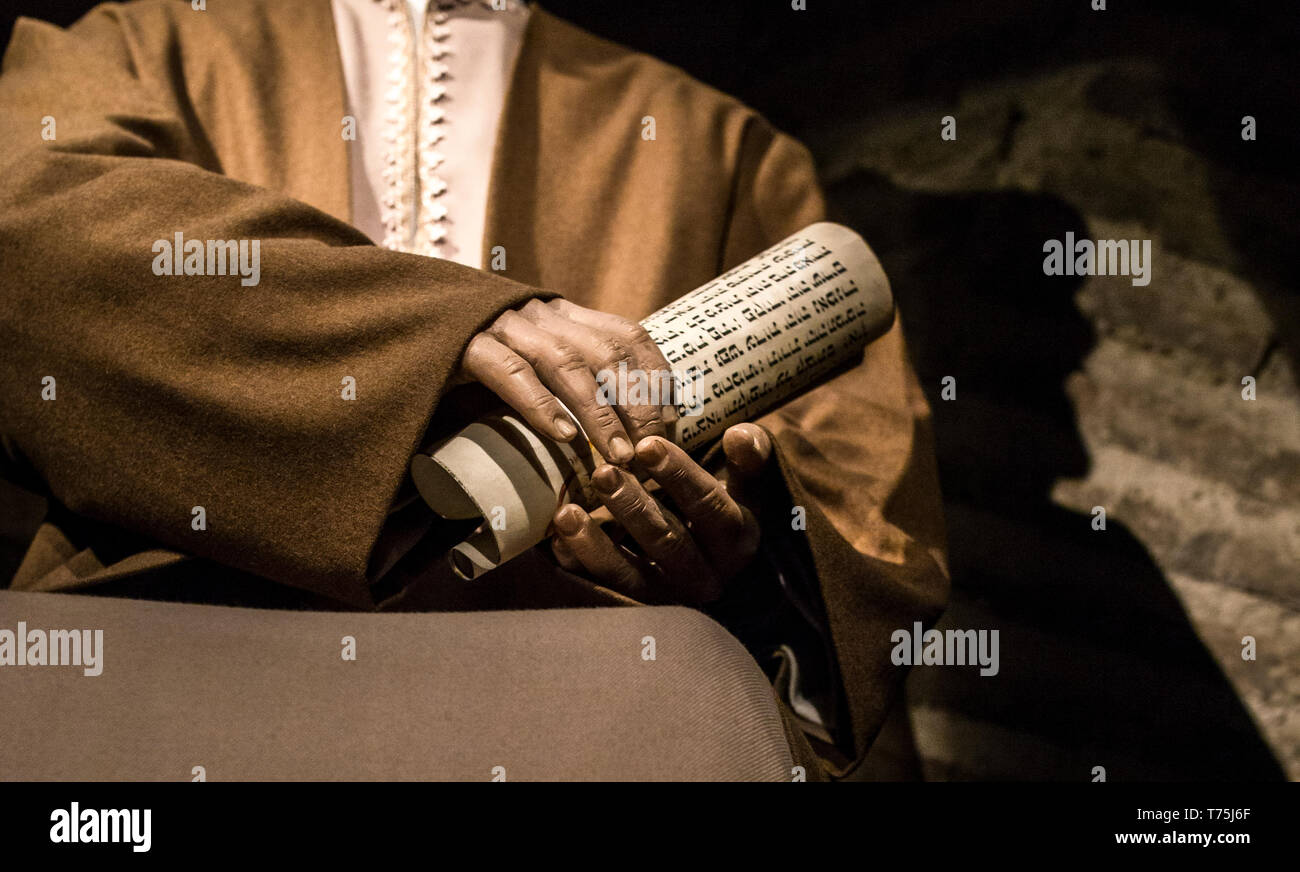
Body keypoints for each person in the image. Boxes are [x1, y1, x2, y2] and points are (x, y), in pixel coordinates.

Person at [0, 0, 948, 777]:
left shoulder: (723, 146)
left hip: (594, 697)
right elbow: (30, 238)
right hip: (168, 647)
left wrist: (744, 577)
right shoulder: (144, 42)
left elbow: (859, 496)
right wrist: (452, 328)